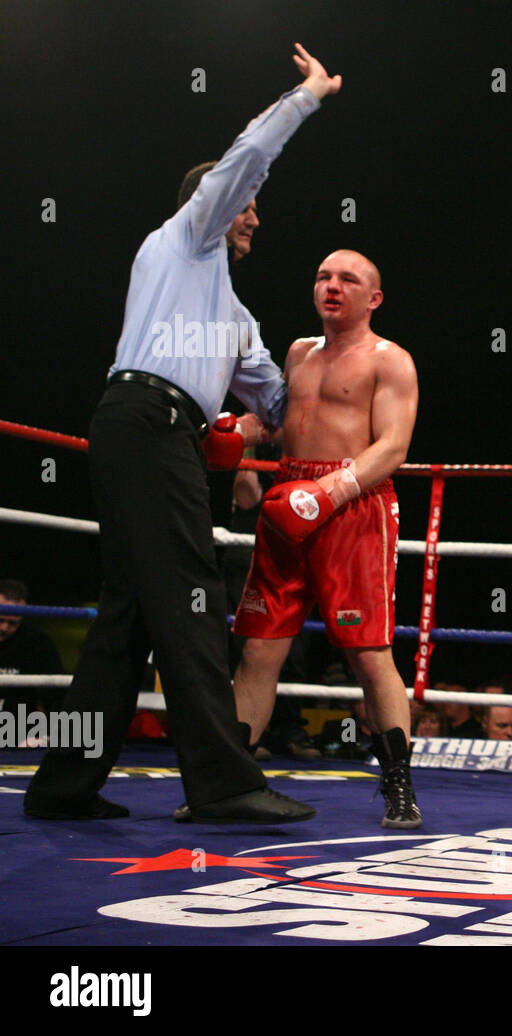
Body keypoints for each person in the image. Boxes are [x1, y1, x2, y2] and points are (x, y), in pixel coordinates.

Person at [24, 45, 340, 824]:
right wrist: (307, 96)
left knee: (127, 616)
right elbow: (245, 156)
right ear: (217, 202)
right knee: (193, 599)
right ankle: (223, 782)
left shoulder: (227, 310)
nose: (256, 215)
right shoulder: (186, 237)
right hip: (146, 425)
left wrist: (314, 396)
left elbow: (270, 390)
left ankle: (62, 787)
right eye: (248, 203)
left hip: (159, 436)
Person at [224, 248, 420, 828]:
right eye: (323, 277)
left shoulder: (391, 360)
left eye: (348, 279)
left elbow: (392, 447)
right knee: (259, 646)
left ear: (373, 298)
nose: (332, 286)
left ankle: (398, 785)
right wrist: (238, 431)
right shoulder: (297, 353)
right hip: (288, 500)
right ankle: (229, 783)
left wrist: (331, 490)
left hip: (353, 506)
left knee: (366, 652)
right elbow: (283, 422)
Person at [0, 579, 65, 712]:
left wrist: (51, 730)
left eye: (13, 623)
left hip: (19, 728)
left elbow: (55, 696)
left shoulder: (37, 643)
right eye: (0, 620)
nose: (4, 628)